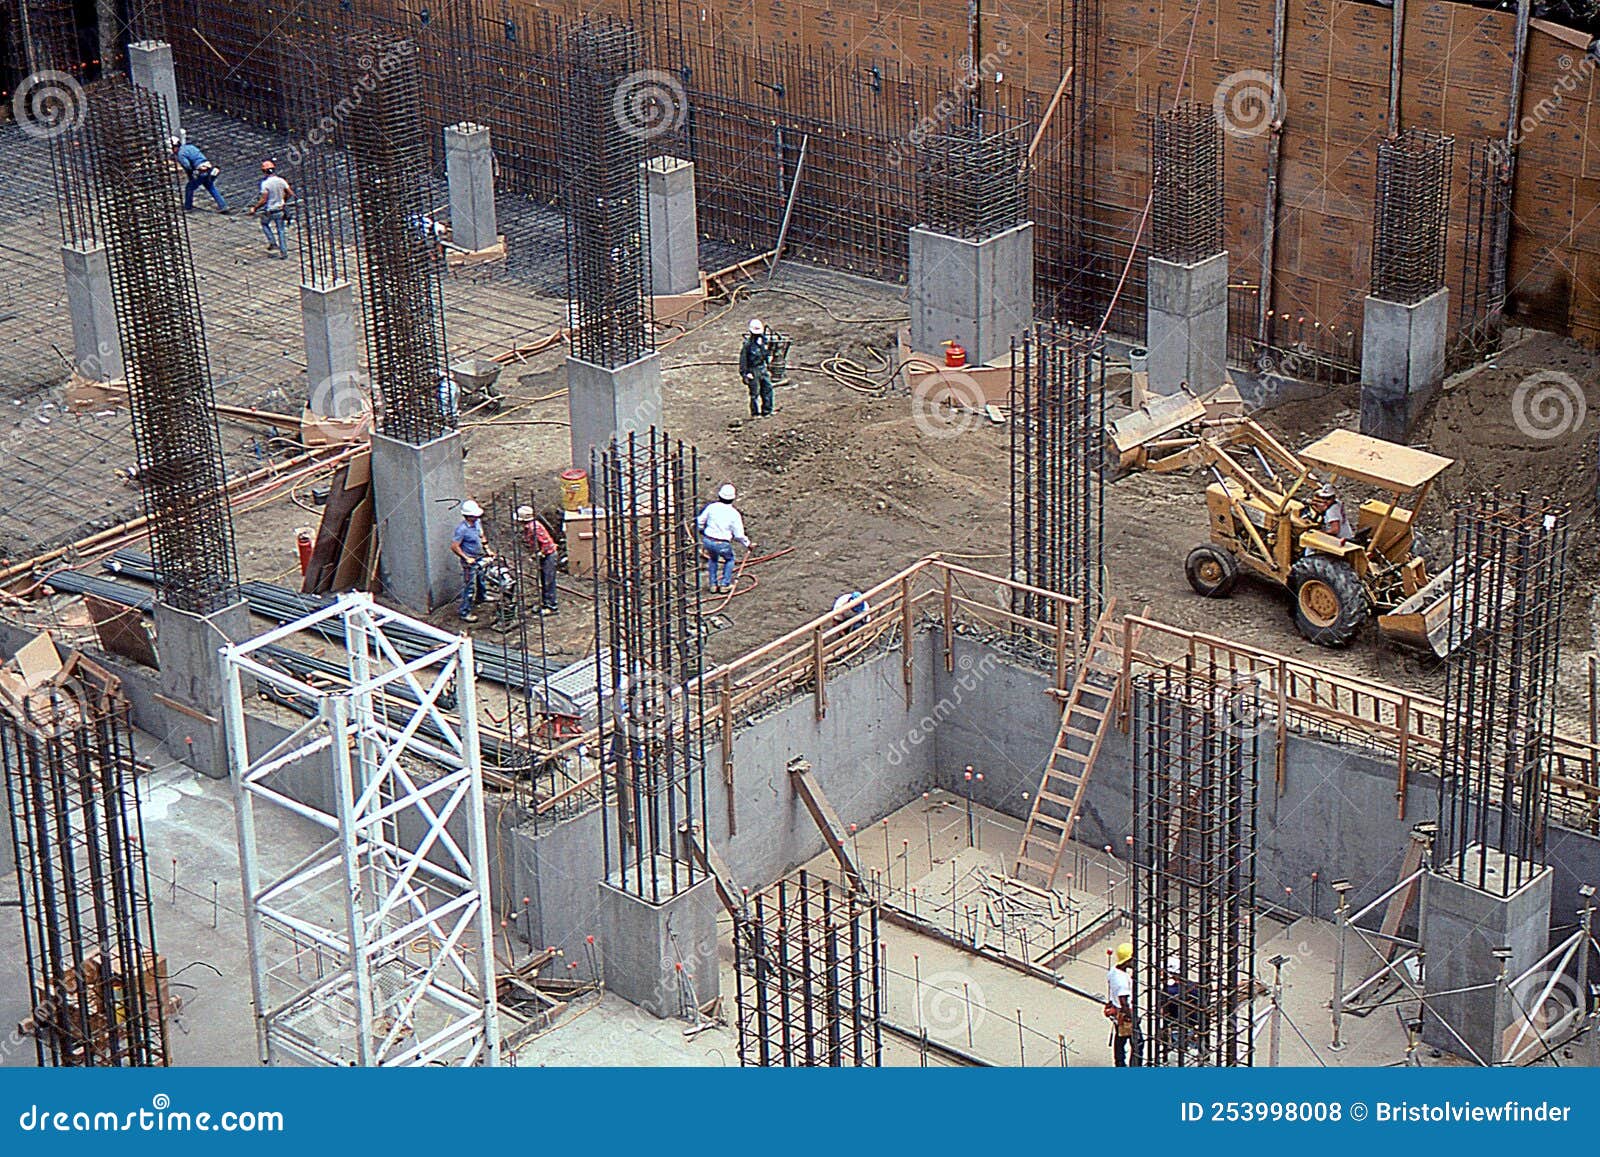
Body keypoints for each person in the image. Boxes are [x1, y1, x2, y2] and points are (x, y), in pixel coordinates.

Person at [697, 484, 751, 594]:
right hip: (722, 543)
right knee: (730, 560)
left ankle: (713, 585)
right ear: (733, 498)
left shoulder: (712, 507)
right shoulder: (734, 514)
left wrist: (701, 530)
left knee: (713, 559)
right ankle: (724, 585)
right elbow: (739, 535)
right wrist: (748, 544)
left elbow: (700, 521)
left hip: (708, 540)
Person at [516, 504, 560, 615]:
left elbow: (546, 544)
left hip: (549, 555)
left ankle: (552, 606)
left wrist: (539, 554)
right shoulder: (529, 527)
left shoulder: (534, 528)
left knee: (548, 581)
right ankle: (545, 602)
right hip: (545, 555)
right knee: (543, 580)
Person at [452, 498, 489, 623]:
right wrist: (466, 558)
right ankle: (465, 611)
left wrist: (487, 549)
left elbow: (481, 535)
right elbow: (455, 546)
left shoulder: (477, 523)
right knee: (469, 586)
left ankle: (482, 597)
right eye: (474, 516)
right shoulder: (462, 529)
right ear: (467, 516)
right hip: (469, 560)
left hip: (479, 557)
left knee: (481, 578)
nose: (476, 518)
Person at [247, 160, 293, 258]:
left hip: (270, 210)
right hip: (280, 209)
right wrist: (283, 200)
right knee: (281, 231)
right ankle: (284, 253)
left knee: (264, 224)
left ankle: (272, 242)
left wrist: (254, 208)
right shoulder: (281, 180)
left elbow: (264, 199)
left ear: (264, 172)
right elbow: (290, 193)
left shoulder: (265, 184)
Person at [171, 136, 229, 213]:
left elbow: (187, 166)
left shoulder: (180, 154)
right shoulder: (190, 147)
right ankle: (223, 205)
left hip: (201, 171)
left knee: (189, 188)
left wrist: (191, 176)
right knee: (210, 186)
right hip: (209, 168)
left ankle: (188, 207)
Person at [1105, 941, 1138, 1067]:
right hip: (1124, 1014)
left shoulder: (1114, 971)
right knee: (1137, 1043)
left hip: (1117, 1011)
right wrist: (1133, 1018)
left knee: (1120, 1040)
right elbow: (1123, 1002)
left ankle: (1119, 1064)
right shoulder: (1121, 981)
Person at [740, 318, 774, 418]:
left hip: (762, 368)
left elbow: (766, 355)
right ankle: (755, 413)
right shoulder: (748, 345)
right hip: (753, 370)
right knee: (754, 393)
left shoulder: (763, 342)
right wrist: (745, 373)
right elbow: (743, 360)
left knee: (767, 389)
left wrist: (768, 365)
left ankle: (767, 411)